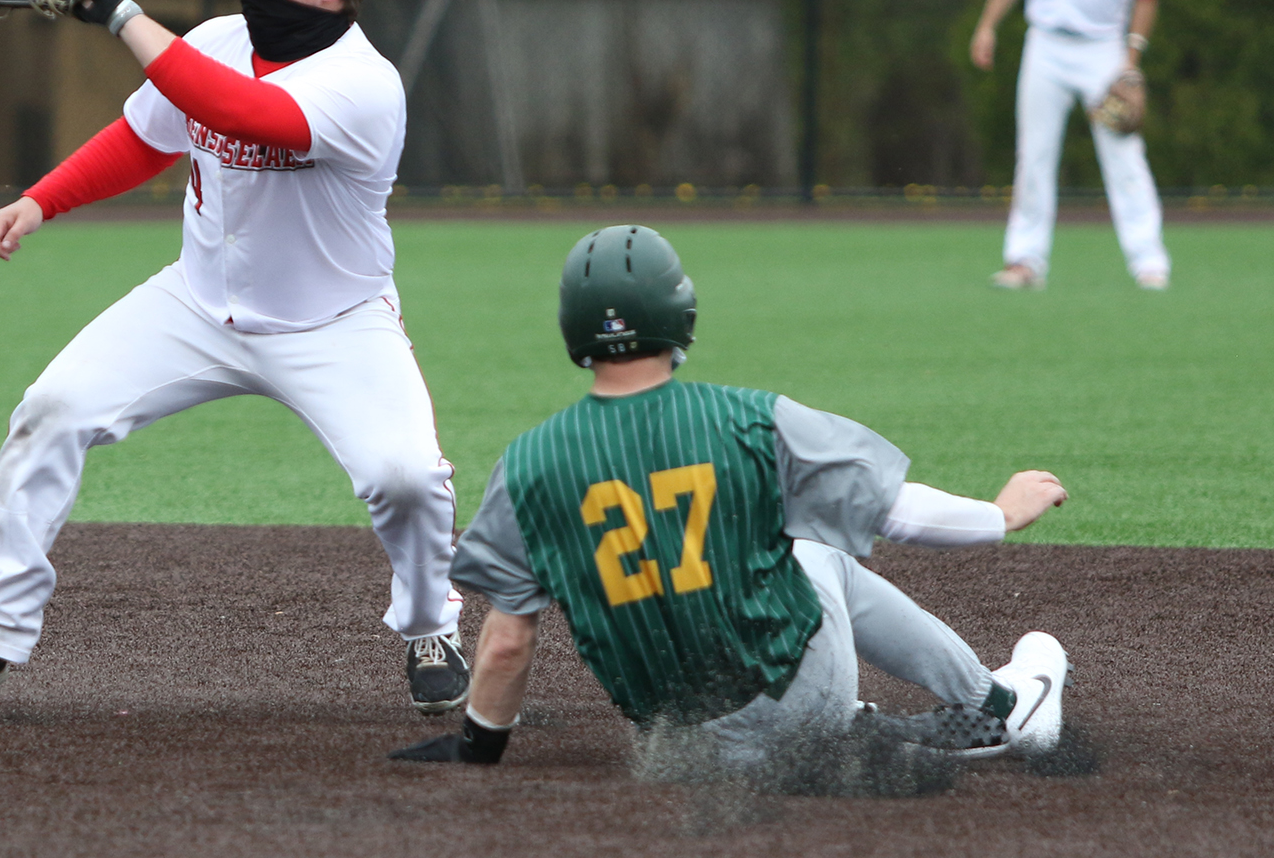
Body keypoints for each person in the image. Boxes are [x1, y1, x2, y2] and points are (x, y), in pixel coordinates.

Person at [0, 0, 468, 716]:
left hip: (335, 322)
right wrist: (42, 200)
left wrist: (123, 14)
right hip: (195, 307)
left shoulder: (364, 85)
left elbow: (242, 111)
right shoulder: (215, 42)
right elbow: (147, 135)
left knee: (406, 479)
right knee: (50, 410)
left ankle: (428, 625)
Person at [392, 225, 1072, 772]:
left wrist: (477, 748)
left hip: (677, 748)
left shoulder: (528, 464)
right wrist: (1000, 514)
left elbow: (508, 642)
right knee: (816, 545)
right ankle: (1002, 708)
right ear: (679, 311)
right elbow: (895, 511)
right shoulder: (749, 418)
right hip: (792, 697)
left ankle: (850, 736)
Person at [970, 0, 1171, 291]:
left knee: (1123, 154)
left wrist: (1131, 58)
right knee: (1034, 155)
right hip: (1046, 44)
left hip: (1103, 48)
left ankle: (1149, 261)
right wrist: (987, 25)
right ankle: (1024, 259)